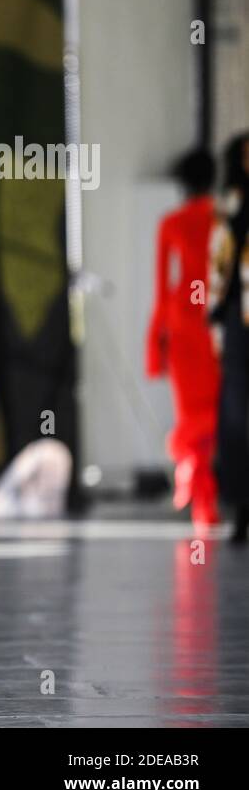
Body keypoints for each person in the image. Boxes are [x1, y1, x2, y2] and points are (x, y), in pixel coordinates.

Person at [146, 149, 220, 532]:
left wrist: (153, 346)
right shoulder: (222, 219)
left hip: (182, 327)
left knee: (192, 413)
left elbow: (162, 291)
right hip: (215, 324)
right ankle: (202, 492)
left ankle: (197, 485)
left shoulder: (172, 223)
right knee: (213, 412)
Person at [208, 132, 249, 544]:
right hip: (237, 319)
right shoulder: (229, 204)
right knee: (236, 414)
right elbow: (215, 264)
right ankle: (239, 505)